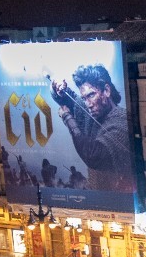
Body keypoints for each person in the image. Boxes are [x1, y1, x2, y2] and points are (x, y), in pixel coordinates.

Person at [50, 63, 136, 194]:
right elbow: (72, 102)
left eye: (91, 95)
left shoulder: (122, 121)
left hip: (119, 200)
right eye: (84, 98)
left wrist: (67, 117)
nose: (88, 104)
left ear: (106, 91)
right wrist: (59, 91)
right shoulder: (94, 112)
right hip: (98, 196)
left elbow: (93, 155)